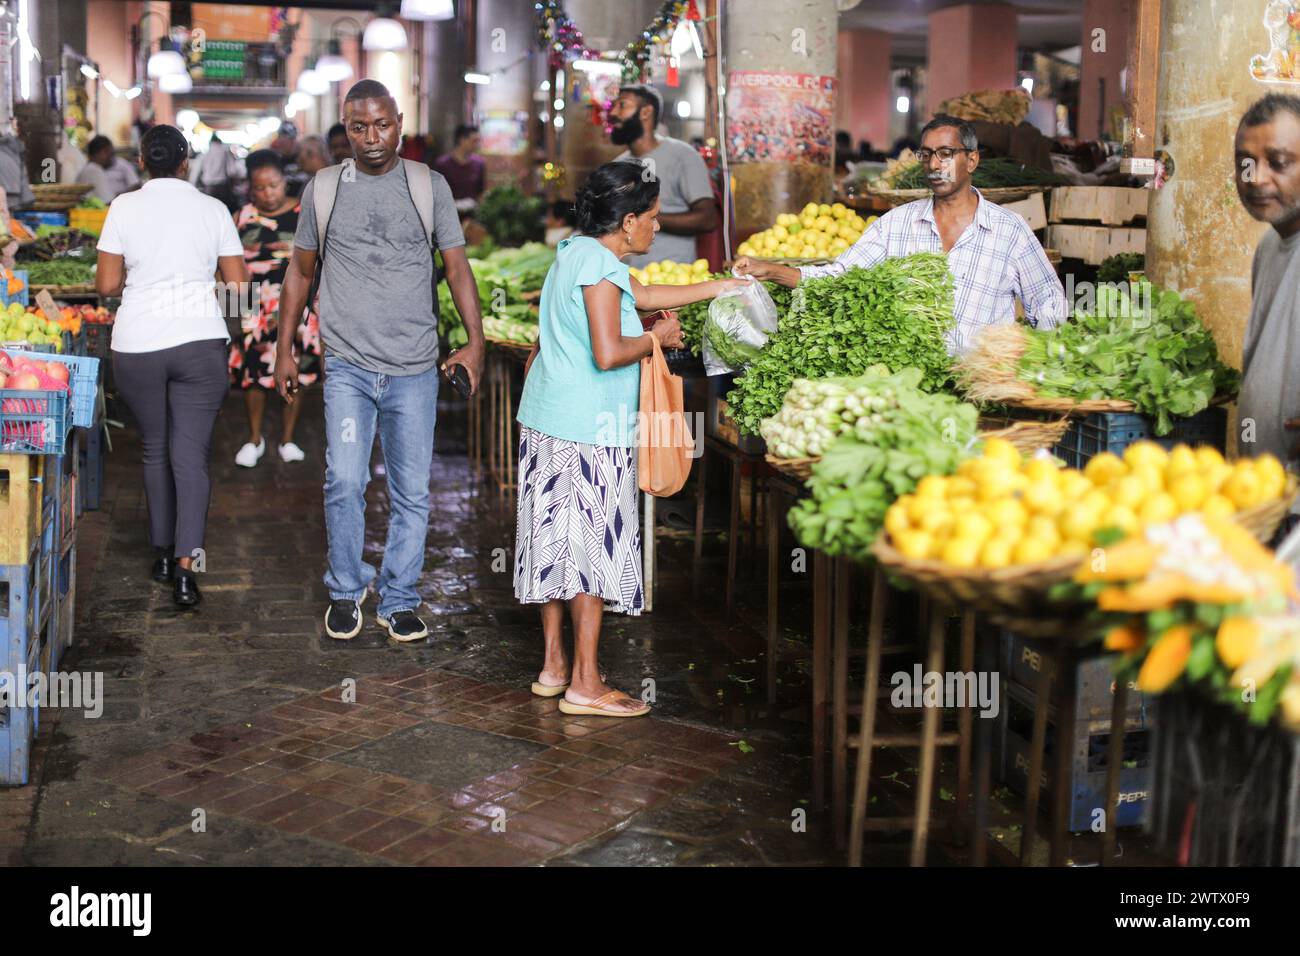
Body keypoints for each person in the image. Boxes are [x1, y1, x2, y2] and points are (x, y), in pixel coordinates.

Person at [514, 161, 747, 716]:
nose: (656, 227)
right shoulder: (597, 266)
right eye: (652, 218)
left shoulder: (578, 253)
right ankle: (587, 685)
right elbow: (609, 352)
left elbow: (637, 293)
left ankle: (553, 668)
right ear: (626, 222)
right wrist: (657, 338)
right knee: (591, 551)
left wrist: (717, 286)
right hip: (585, 428)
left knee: (553, 546)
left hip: (551, 417)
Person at [275, 79, 485, 643]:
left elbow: (457, 268)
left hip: (415, 367)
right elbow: (299, 272)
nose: (372, 137)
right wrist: (284, 346)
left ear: (400, 123)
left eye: (382, 124)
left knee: (411, 489)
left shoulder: (427, 186)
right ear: (346, 130)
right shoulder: (323, 188)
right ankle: (346, 590)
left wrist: (475, 340)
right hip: (346, 366)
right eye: (359, 127)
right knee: (344, 480)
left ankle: (399, 597)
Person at [736, 115, 1067, 354]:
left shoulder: (1010, 231)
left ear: (972, 160)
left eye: (946, 154)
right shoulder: (895, 225)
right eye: (926, 155)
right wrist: (772, 270)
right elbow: (838, 277)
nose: (934, 165)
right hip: (911, 387)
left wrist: (1031, 362)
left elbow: (1049, 306)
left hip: (985, 386)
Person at [94, 124, 248, 608]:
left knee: (155, 448)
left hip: (137, 343)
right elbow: (237, 287)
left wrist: (145, 279)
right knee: (191, 456)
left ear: (142, 161)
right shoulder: (213, 210)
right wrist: (228, 326)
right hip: (200, 342)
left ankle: (160, 554)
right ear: (186, 163)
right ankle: (186, 570)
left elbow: (106, 285)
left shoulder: (123, 207)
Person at [228, 149, 322, 467]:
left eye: (274, 185)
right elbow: (226, 264)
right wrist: (232, 312)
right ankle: (254, 438)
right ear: (250, 188)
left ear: (284, 182)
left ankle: (288, 438)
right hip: (253, 308)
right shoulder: (241, 217)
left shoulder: (305, 213)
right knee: (253, 375)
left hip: (299, 307)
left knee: (298, 372)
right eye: (260, 187)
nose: (268, 193)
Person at [1234, 93, 1300, 467]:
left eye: (1278, 163)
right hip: (1270, 494)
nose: (1256, 178)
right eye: (1245, 164)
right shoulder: (1269, 247)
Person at [606, 83, 718, 269]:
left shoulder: (683, 155)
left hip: (673, 277)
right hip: (627, 275)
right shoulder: (618, 164)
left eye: (622, 105)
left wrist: (646, 218)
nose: (613, 113)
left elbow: (707, 219)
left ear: (646, 112)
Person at [433, 124, 486, 215]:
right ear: (462, 140)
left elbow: (480, 192)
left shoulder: (479, 164)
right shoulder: (443, 164)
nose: (476, 145)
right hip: (449, 215)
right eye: (473, 141)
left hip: (472, 216)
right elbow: (436, 194)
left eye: (478, 141)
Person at [75, 135, 141, 202]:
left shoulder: (122, 164)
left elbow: (136, 186)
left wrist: (121, 196)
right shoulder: (93, 169)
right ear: (96, 154)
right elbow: (107, 200)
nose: (110, 156)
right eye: (107, 152)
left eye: (111, 153)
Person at [190, 135, 246, 212]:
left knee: (210, 210)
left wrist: (192, 187)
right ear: (219, 142)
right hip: (222, 187)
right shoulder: (226, 153)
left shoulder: (204, 155)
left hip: (208, 187)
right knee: (223, 210)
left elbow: (195, 174)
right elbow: (232, 171)